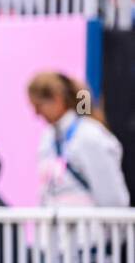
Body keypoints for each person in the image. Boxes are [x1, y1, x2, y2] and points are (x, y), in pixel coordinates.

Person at [27, 72, 130, 206]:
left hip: (90, 225)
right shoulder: (48, 137)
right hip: (57, 224)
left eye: (39, 106)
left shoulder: (89, 136)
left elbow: (112, 199)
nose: (36, 114)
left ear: (57, 99)